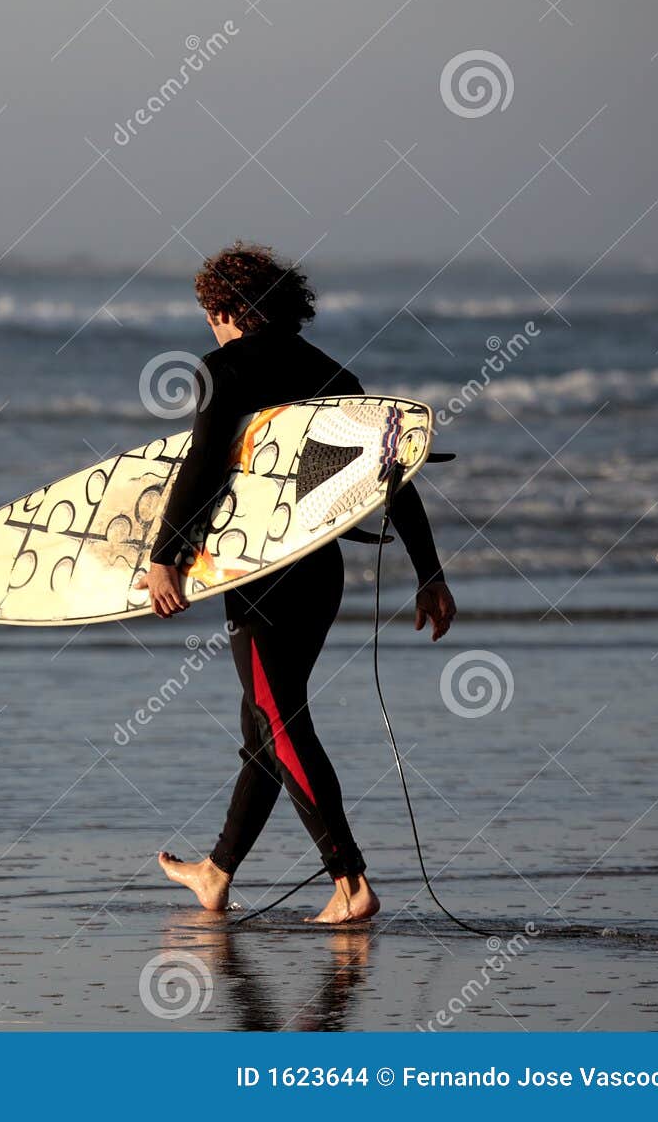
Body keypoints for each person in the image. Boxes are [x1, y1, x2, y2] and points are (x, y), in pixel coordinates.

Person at [138, 242, 456, 924]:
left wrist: (166, 554)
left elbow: (202, 463)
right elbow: (389, 470)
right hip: (321, 573)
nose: (210, 328)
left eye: (210, 315)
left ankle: (350, 881)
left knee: (279, 720)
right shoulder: (331, 370)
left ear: (226, 309)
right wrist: (428, 571)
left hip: (261, 579)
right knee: (266, 722)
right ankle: (217, 871)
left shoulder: (223, 367)